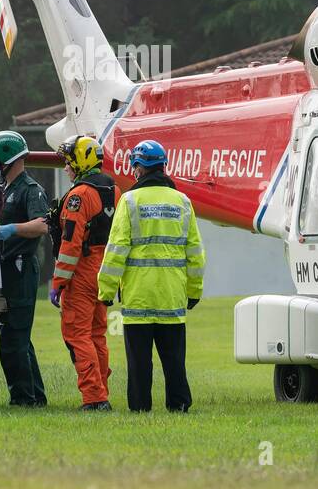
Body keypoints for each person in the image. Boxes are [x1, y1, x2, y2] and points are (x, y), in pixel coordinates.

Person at [99, 139, 205, 412]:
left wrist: (106, 291)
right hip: (171, 297)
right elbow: (195, 252)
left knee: (139, 363)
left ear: (139, 168)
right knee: (174, 361)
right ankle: (179, 405)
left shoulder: (130, 201)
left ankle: (140, 407)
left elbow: (117, 249)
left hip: (139, 299)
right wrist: (194, 291)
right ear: (162, 166)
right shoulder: (182, 201)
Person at [0, 129, 52, 406]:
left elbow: (43, 224)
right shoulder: (6, 189)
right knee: (17, 335)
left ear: (7, 158)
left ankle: (23, 398)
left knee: (13, 338)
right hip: (5, 269)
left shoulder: (30, 190)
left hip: (20, 269)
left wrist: (10, 230)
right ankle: (36, 395)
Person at [50, 134, 116, 411]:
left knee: (78, 335)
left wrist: (58, 282)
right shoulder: (112, 190)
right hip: (103, 270)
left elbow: (71, 244)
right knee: (97, 334)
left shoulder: (79, 195)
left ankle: (94, 397)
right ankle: (101, 391)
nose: (66, 167)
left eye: (68, 161)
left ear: (80, 161)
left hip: (82, 271)